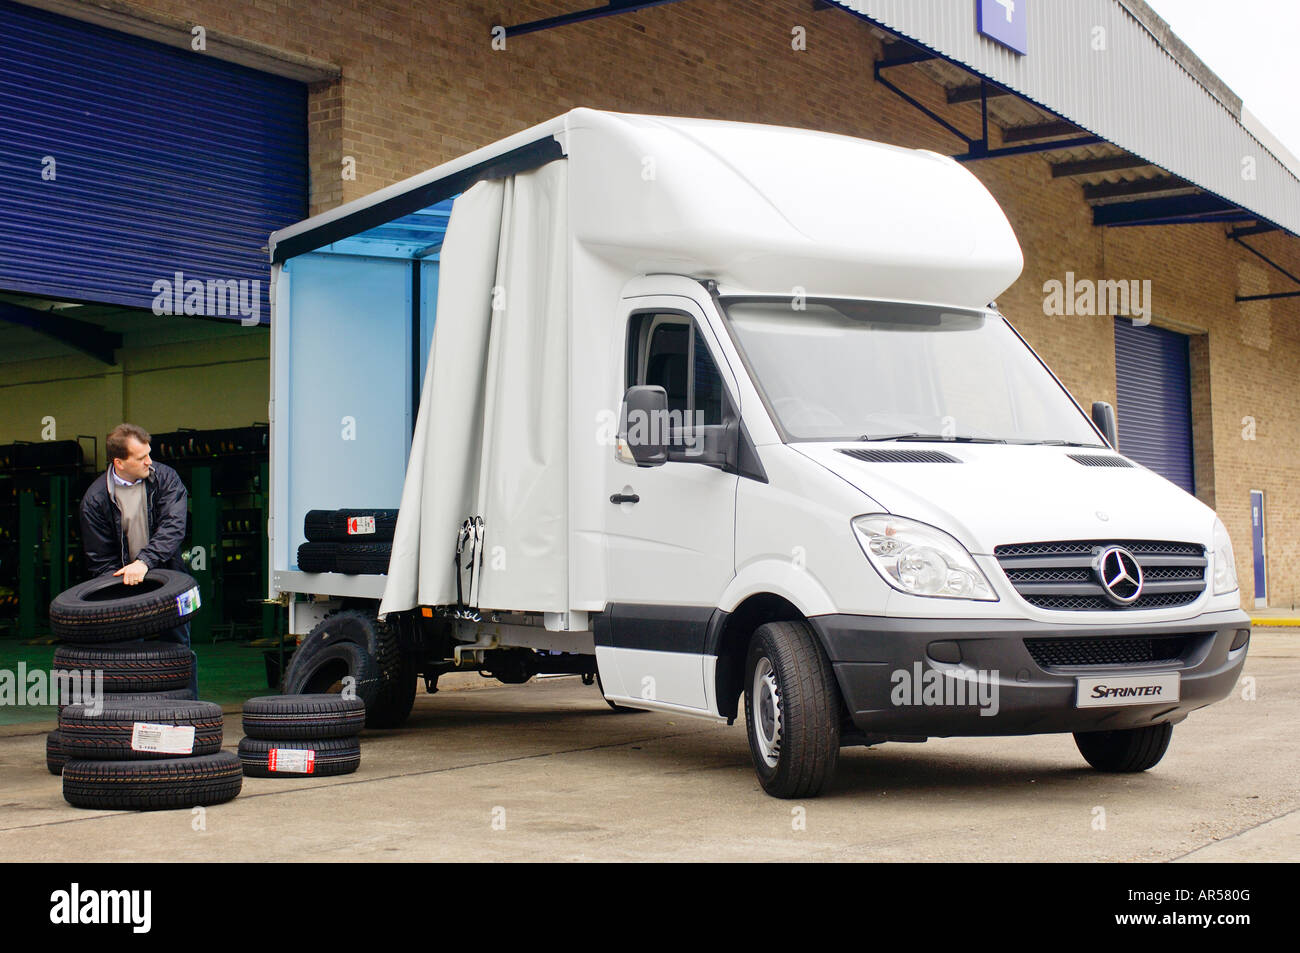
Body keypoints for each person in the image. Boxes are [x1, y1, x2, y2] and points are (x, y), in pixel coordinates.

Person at [79, 423, 197, 699]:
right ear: (119, 462)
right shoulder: (95, 499)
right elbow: (100, 560)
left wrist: (145, 561)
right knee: (130, 655)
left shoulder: (166, 478)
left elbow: (173, 527)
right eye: (141, 457)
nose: (149, 461)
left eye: (149, 454)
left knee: (179, 647)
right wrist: (120, 592)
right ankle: (134, 713)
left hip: (171, 580)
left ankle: (189, 710)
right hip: (125, 587)